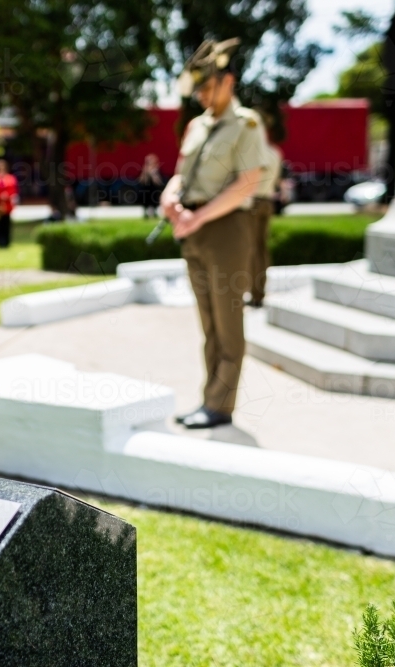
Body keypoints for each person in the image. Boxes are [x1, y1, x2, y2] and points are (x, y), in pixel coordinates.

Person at [160, 38, 268, 430]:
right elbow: (179, 173)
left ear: (228, 82)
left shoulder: (246, 124)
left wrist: (198, 216)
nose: (203, 94)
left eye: (208, 86)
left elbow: (248, 182)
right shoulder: (197, 125)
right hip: (194, 229)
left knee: (227, 322)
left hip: (225, 230)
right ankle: (210, 399)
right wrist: (170, 197)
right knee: (207, 323)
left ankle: (221, 405)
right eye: (199, 88)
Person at [249, 140, 282, 307]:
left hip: (252, 202)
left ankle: (255, 293)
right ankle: (259, 292)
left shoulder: (251, 151)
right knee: (262, 248)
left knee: (252, 249)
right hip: (267, 201)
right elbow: (276, 179)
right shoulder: (274, 152)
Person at [138, 153, 164, 218]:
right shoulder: (144, 170)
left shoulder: (157, 170)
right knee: (145, 200)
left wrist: (153, 174)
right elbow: (141, 180)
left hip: (153, 189)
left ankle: (154, 213)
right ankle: (145, 213)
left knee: (154, 201)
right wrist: (145, 172)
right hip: (146, 189)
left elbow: (159, 182)